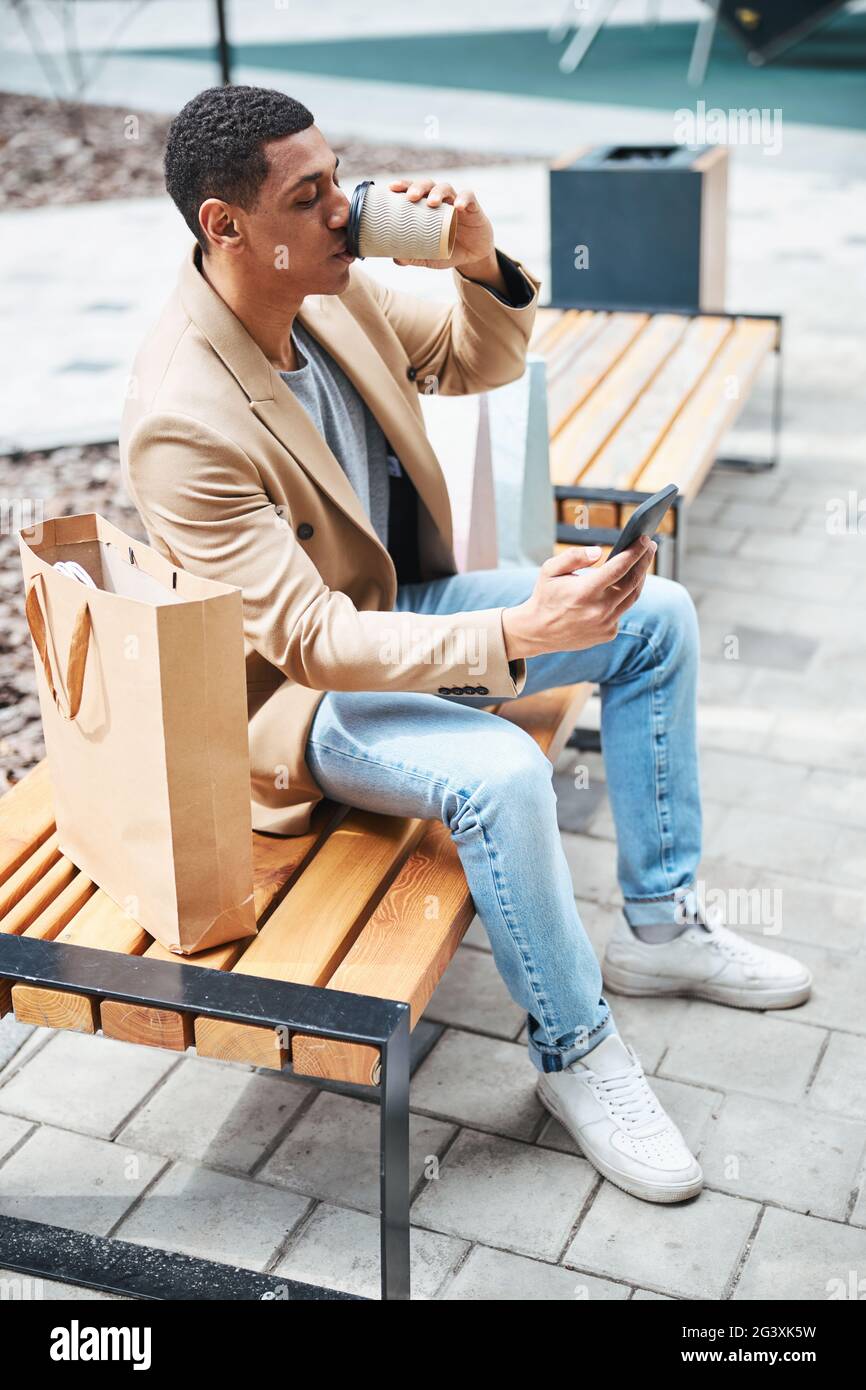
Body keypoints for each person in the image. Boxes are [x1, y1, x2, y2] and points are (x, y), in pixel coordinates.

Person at [120, 85, 811, 1206]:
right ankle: (577, 1053)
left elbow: (472, 360)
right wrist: (510, 633)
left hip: (405, 605)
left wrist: (480, 264)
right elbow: (311, 640)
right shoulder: (182, 416)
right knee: (498, 775)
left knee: (656, 620)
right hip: (301, 700)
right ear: (224, 225)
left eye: (339, 178)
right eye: (310, 195)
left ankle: (659, 925)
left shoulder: (324, 289)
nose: (344, 211)